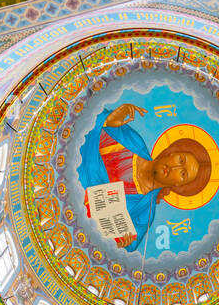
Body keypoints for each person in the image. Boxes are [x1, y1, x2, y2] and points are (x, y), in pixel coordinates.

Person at [78, 102, 212, 251]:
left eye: (183, 173)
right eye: (180, 160)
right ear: (172, 152)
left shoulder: (144, 213)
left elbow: (124, 249)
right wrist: (106, 120)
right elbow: (87, 118)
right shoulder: (132, 141)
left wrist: (117, 244)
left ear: (179, 186)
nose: (174, 168)